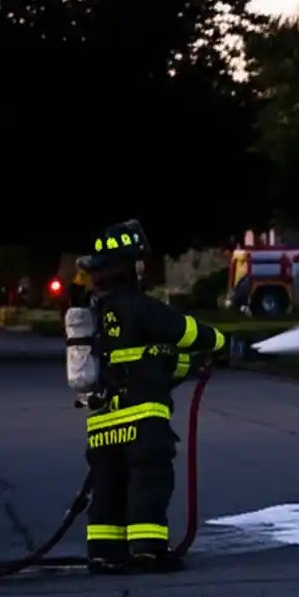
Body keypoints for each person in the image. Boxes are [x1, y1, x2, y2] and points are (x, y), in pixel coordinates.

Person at [78, 220, 227, 574]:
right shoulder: (141, 307)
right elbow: (184, 331)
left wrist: (187, 366)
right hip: (142, 418)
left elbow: (149, 361)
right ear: (131, 266)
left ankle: (103, 552)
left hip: (103, 422)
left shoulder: (95, 314)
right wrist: (221, 343)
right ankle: (148, 550)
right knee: (150, 481)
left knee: (108, 486)